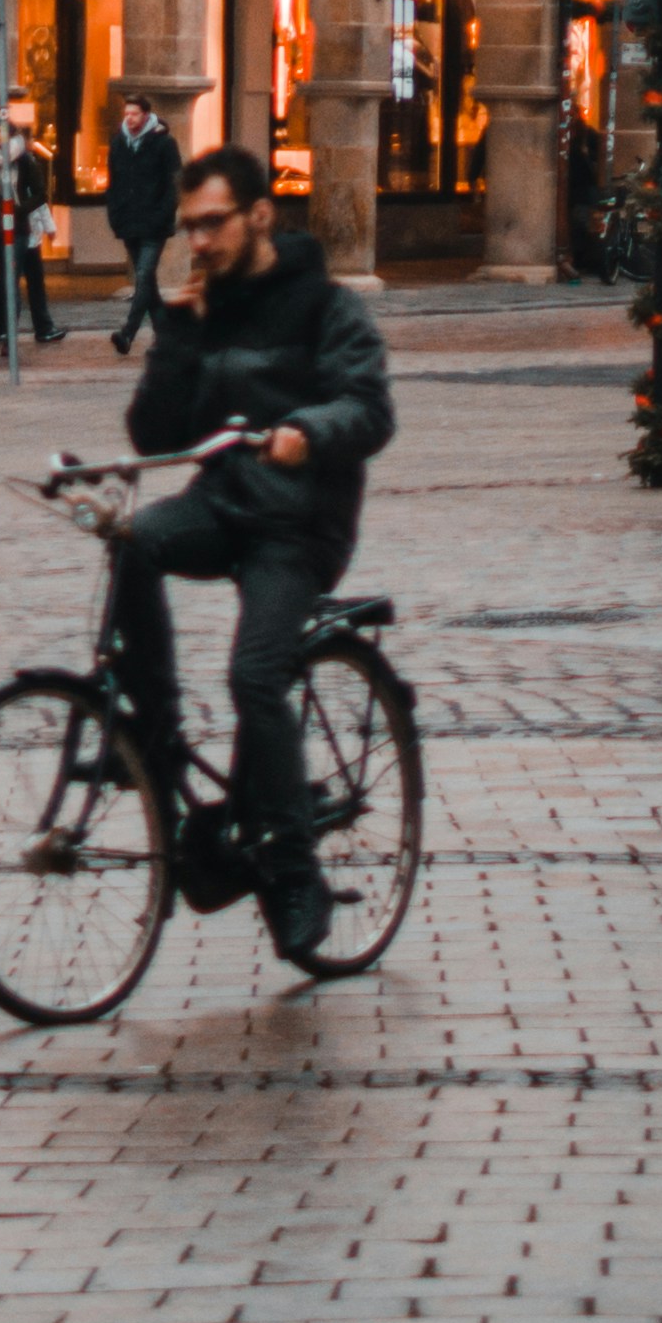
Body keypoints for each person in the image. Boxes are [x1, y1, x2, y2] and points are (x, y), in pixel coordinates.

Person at [120, 139, 396, 960]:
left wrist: (306, 434)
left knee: (254, 674)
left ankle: (293, 870)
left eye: (213, 225)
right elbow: (152, 435)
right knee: (133, 540)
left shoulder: (327, 307)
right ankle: (153, 733)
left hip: (299, 526)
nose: (197, 242)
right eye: (188, 227)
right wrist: (178, 334)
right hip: (222, 504)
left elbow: (370, 409)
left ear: (260, 215)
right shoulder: (206, 308)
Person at [105, 92, 181, 352]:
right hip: (129, 222)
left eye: (134, 113)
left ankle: (128, 333)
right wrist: (115, 214)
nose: (129, 118)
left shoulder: (164, 144)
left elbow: (174, 185)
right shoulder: (119, 143)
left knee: (144, 275)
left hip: (154, 223)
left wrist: (163, 213)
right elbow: (113, 182)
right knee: (147, 283)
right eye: (126, 113)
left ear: (146, 115)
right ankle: (168, 336)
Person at [4, 111, 58, 349]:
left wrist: (21, 210)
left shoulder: (26, 161)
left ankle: (40, 327)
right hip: (14, 230)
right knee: (13, 281)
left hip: (25, 230)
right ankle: (11, 330)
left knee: (29, 279)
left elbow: (39, 196)